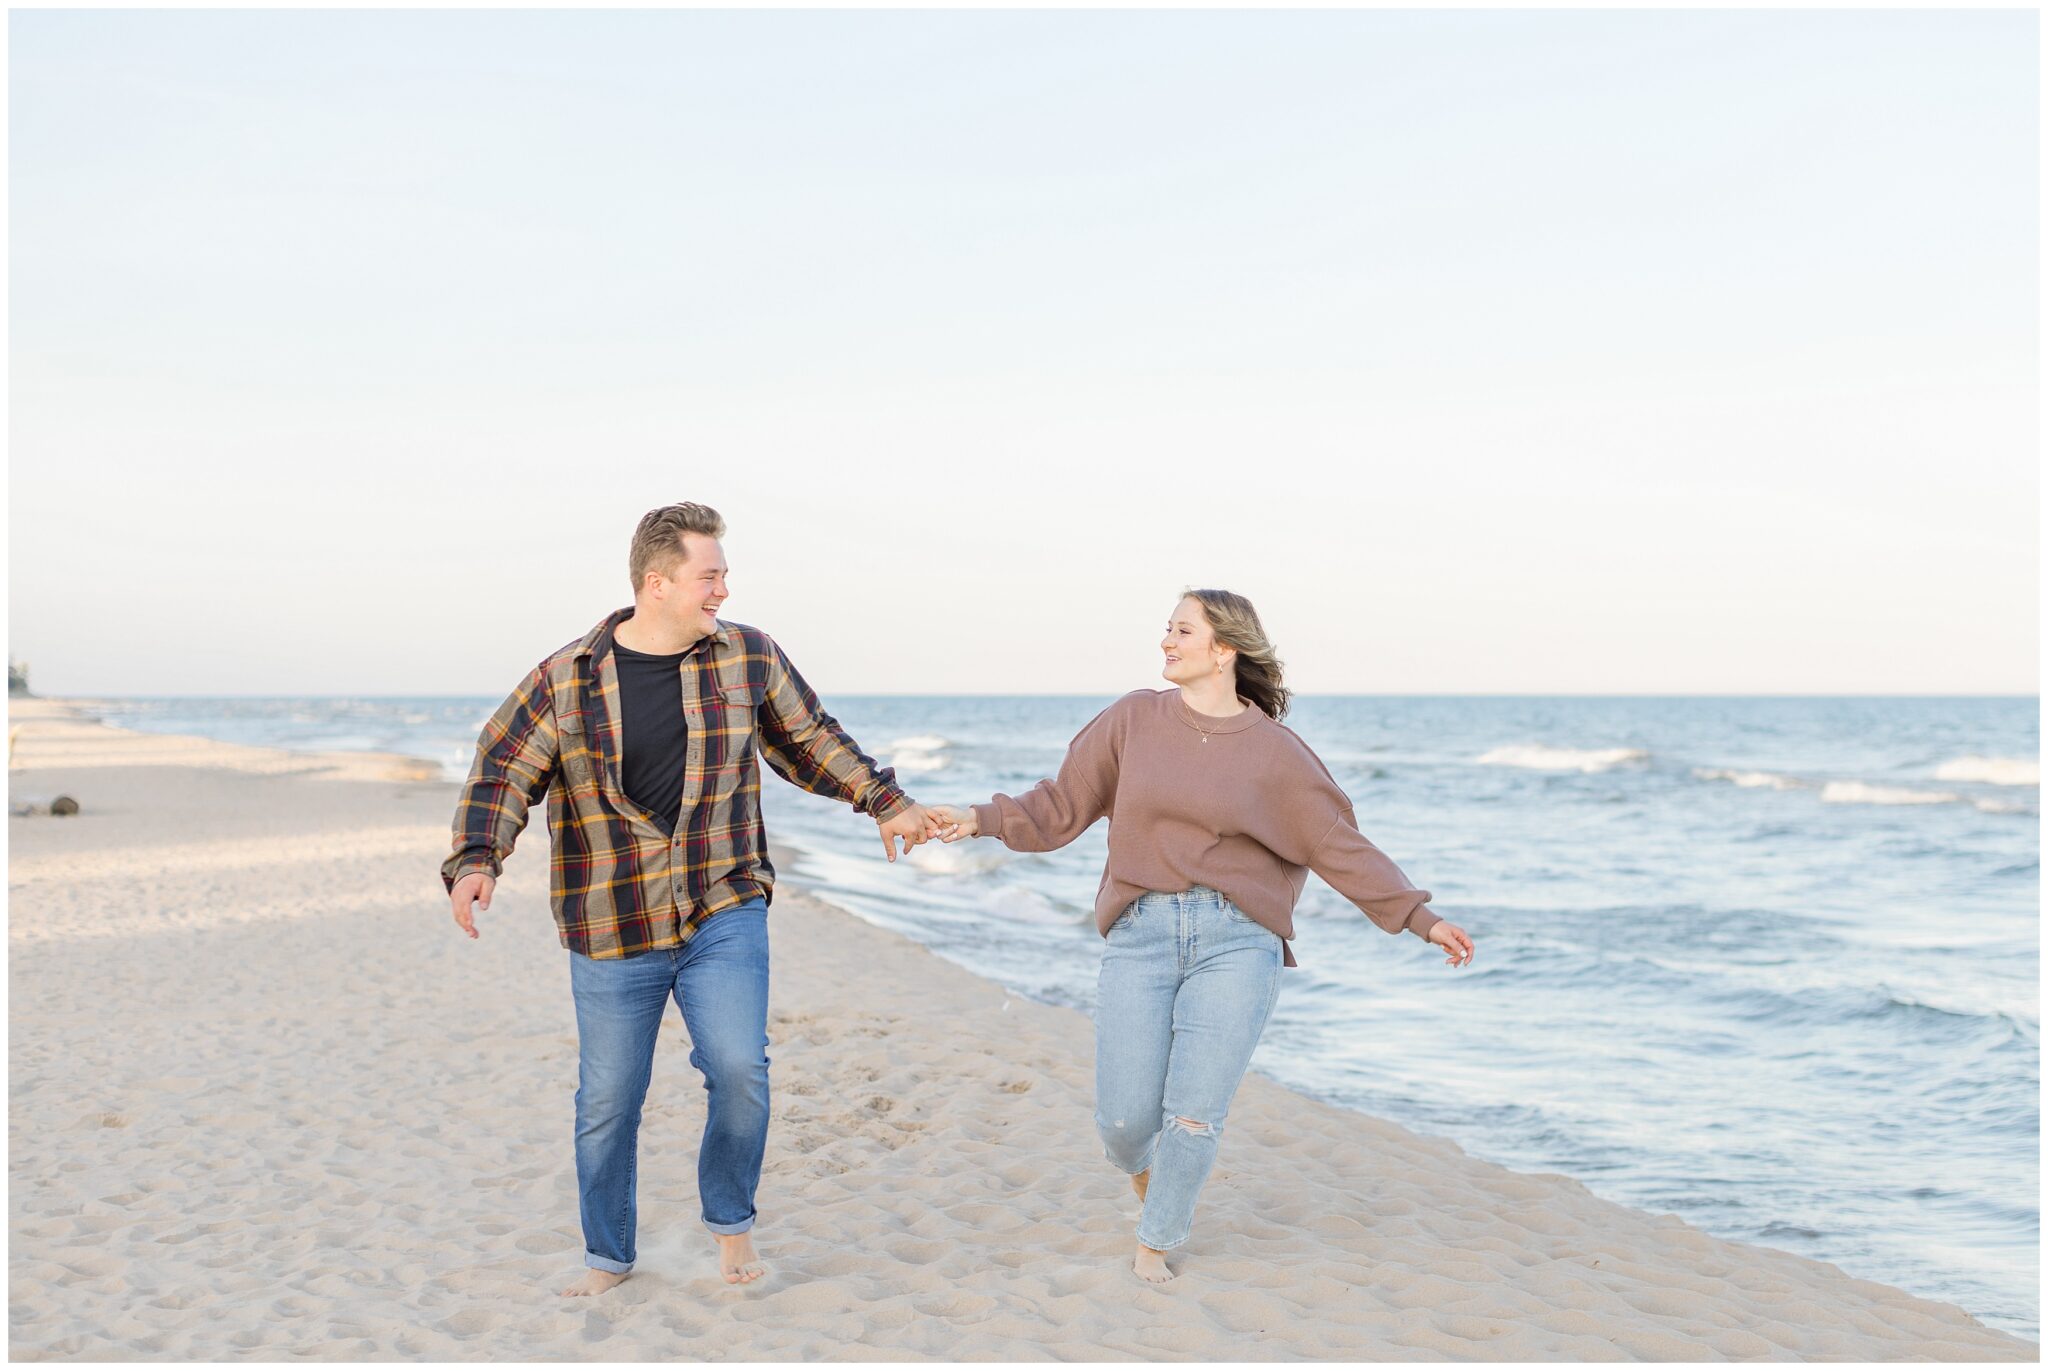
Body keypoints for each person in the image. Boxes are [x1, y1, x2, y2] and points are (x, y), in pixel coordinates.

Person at [441, 502, 934, 1296]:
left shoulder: (747, 657)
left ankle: (731, 1226)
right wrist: (477, 858)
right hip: (612, 918)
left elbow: (810, 738)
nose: (723, 591)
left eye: (725, 576)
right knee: (608, 1100)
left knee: (740, 1067)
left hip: (721, 902)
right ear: (658, 582)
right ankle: (609, 1257)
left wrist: (885, 801)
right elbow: (504, 766)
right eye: (711, 576)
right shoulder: (567, 677)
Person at [926, 588, 1474, 1284]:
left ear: (1224, 649)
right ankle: (1145, 1176)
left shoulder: (1277, 753)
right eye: (1168, 629)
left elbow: (1339, 845)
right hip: (1142, 933)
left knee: (1193, 1114)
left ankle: (1155, 1243)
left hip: (1238, 940)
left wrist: (1420, 917)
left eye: (1182, 631)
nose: (1166, 642)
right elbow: (1059, 807)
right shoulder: (1133, 719)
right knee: (1124, 1123)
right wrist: (975, 818)